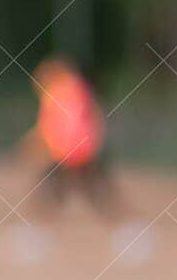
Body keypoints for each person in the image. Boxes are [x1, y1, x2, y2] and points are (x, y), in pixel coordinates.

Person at [25, 56, 118, 216]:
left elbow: (53, 127)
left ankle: (41, 224)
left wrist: (40, 146)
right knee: (91, 190)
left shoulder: (57, 92)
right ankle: (125, 223)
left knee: (54, 187)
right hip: (81, 150)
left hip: (70, 152)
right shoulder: (76, 89)